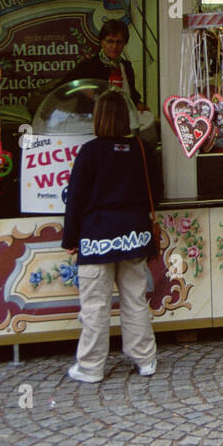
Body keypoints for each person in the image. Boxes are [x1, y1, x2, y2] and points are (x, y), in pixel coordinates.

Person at [62, 90, 159, 382]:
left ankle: (91, 367)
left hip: (97, 237)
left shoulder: (90, 152)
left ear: (99, 118)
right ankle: (146, 359)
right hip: (135, 235)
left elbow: (75, 200)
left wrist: (70, 239)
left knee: (95, 305)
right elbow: (155, 191)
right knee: (135, 299)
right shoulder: (142, 149)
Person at [64, 19, 149, 112]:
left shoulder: (126, 67)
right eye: (110, 41)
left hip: (122, 120)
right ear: (101, 42)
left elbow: (132, 95)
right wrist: (81, 89)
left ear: (125, 44)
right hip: (93, 122)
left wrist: (138, 103)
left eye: (119, 42)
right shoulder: (87, 65)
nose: (115, 46)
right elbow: (62, 91)